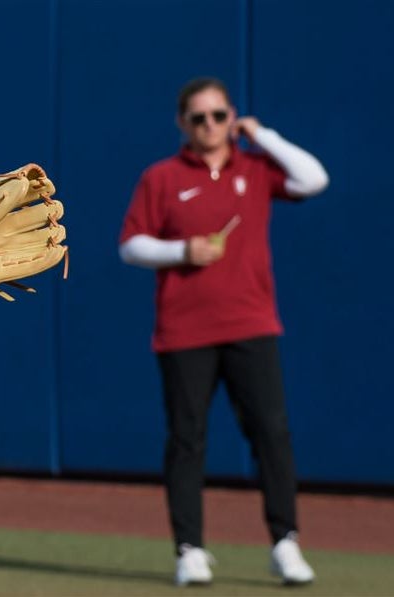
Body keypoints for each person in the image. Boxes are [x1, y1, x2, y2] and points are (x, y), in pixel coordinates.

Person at [118, 76, 329, 587]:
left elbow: (314, 179)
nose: (209, 126)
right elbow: (131, 245)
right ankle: (189, 550)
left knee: (271, 434)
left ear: (231, 118)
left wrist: (265, 135)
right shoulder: (162, 177)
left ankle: (285, 543)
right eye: (198, 118)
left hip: (252, 323)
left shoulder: (256, 168)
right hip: (184, 331)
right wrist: (181, 251)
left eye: (218, 116)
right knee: (187, 440)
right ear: (182, 124)